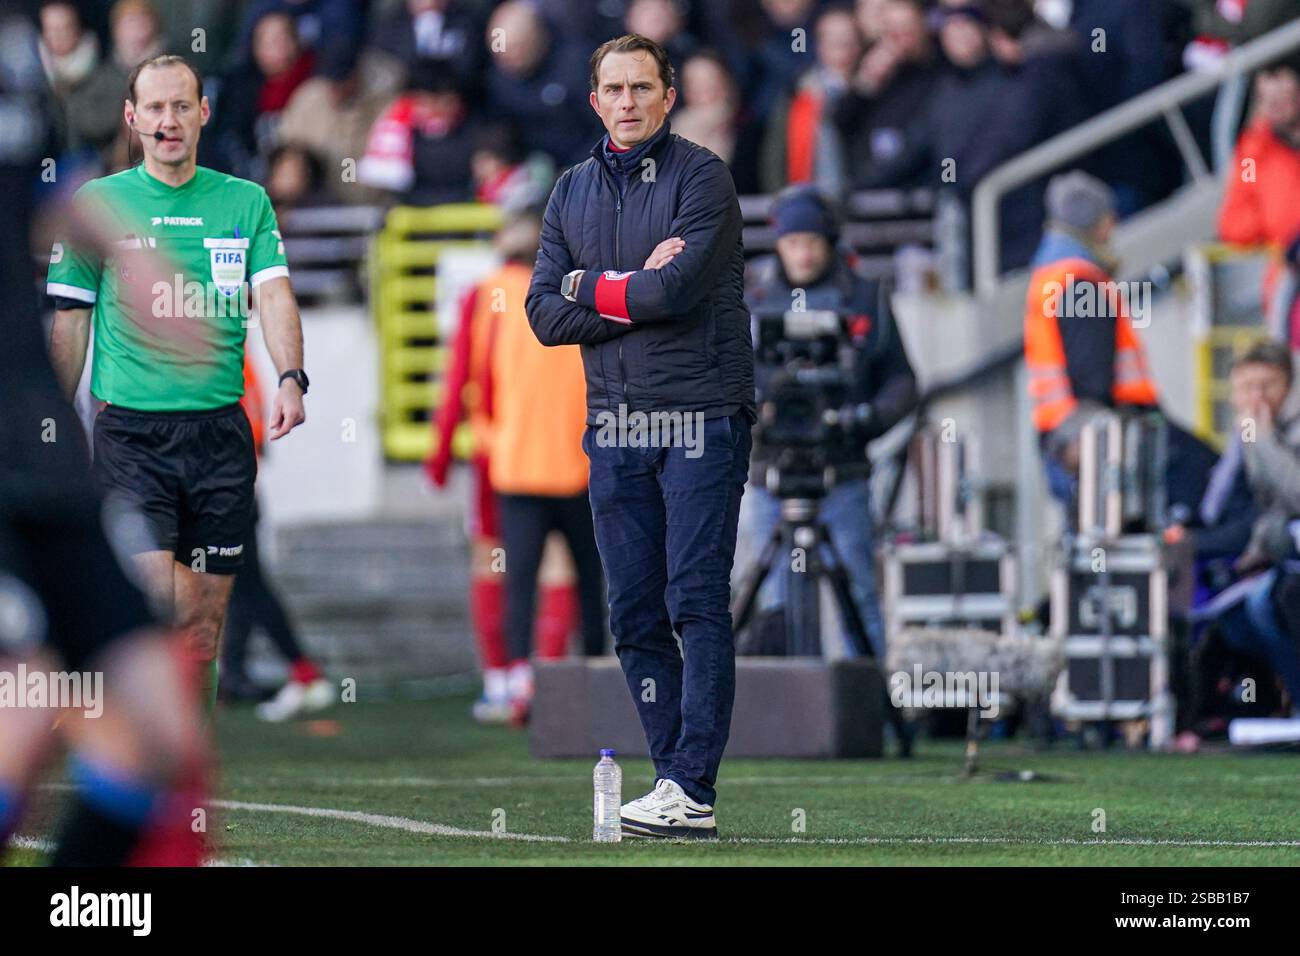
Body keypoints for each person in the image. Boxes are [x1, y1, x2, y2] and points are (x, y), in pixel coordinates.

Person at [526, 34, 754, 839]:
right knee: (631, 612)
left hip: (700, 416)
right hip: (613, 423)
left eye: (641, 88)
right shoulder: (569, 192)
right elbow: (543, 314)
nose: (626, 102)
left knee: (695, 600)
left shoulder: (704, 178)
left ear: (669, 95)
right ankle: (670, 781)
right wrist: (625, 287)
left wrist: (592, 283)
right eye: (612, 89)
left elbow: (676, 290)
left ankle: (693, 784)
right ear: (595, 101)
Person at [1, 7, 206, 866]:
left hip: (44, 455)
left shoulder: (16, 49)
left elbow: (44, 197)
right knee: (28, 706)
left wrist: (132, 257)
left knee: (156, 728)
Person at [46, 53, 309, 716]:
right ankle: (138, 767)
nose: (169, 120)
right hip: (131, 436)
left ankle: (187, 773)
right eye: (155, 108)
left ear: (203, 113)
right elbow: (70, 322)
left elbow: (274, 296)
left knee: (203, 623)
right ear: (132, 118)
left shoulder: (244, 201)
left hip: (221, 435)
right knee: (153, 605)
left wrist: (291, 378)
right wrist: (50, 422)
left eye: (181, 106)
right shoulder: (98, 205)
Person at [740, 186, 918, 659]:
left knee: (858, 592)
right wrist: (760, 406)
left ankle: (867, 714)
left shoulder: (865, 297)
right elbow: (720, 373)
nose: (803, 253)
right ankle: (782, 714)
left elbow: (901, 379)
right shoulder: (751, 297)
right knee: (773, 598)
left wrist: (866, 420)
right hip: (769, 472)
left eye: (812, 242)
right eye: (793, 242)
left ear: (830, 241)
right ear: (779, 243)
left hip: (842, 470)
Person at [471, 209, 608, 723]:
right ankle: (591, 679)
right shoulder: (584, 289)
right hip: (578, 463)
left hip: (521, 465)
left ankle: (514, 681)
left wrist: (468, 446)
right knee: (588, 578)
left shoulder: (493, 294)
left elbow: (473, 375)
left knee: (521, 579)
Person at [1024, 170, 1215, 519]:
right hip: (1107, 436)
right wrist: (1099, 439)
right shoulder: (1080, 282)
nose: (1113, 228)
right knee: (1207, 478)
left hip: (1071, 435)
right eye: (1108, 219)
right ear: (1096, 223)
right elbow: (1092, 379)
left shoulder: (1051, 275)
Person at [220, 353, 333, 721]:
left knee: (247, 583)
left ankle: (302, 670)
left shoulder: (222, 354)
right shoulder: (236, 355)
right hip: (231, 484)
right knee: (239, 584)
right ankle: (234, 673)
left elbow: (248, 421)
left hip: (226, 487)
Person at [1218, 52, 1300, 339]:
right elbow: (1236, 223)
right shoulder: (1254, 155)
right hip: (1290, 286)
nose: (1274, 108)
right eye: (1266, 100)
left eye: (1281, 99)